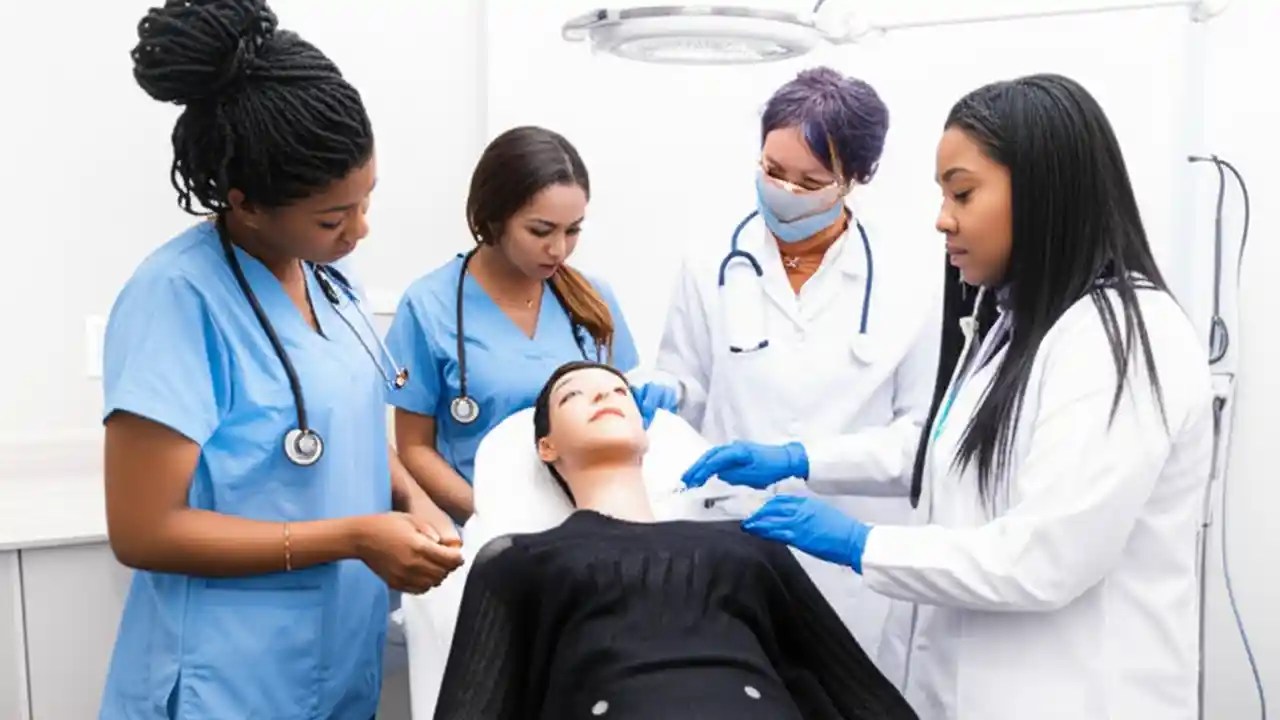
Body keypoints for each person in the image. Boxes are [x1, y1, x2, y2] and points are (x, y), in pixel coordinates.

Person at [697, 73, 1215, 720]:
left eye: (963, 194)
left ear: (1044, 195)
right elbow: (938, 471)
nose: (943, 220)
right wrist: (801, 459)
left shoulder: (1121, 340)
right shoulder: (1005, 330)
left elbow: (1045, 557)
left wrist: (862, 544)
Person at [99, 2, 462, 718]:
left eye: (366, 201)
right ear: (247, 204)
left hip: (334, 659)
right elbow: (143, 529)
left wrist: (414, 500)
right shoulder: (176, 298)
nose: (360, 231)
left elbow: (346, 428)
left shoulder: (330, 279)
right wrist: (355, 535)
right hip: (227, 676)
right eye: (333, 217)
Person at [432, 361, 918, 719]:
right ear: (546, 446)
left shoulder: (749, 545)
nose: (605, 396)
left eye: (619, 391)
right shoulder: (519, 561)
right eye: (574, 395)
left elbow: (857, 691)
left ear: (646, 427)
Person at [655, 66, 940, 654]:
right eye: (772, 170)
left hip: (850, 566)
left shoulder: (914, 278)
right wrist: (667, 393)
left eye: (810, 181)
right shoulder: (710, 260)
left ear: (854, 179)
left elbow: (921, 442)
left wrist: (801, 459)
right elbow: (688, 391)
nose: (784, 191)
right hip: (728, 544)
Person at [387, 126, 676, 525]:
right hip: (487, 534)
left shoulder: (593, 300)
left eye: (573, 230)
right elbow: (414, 449)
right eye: (540, 231)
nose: (558, 249)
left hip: (593, 535)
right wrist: (495, 516)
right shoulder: (429, 307)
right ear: (493, 217)